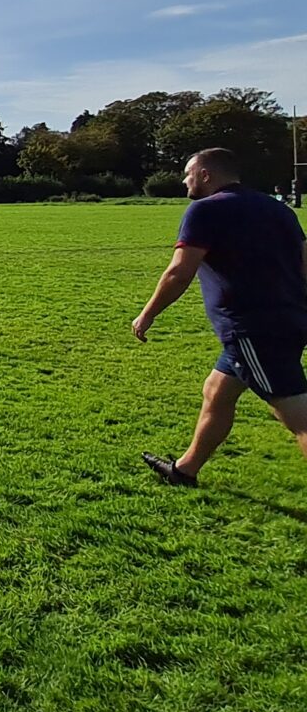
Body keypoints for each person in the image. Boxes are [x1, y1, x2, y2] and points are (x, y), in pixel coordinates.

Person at [132, 148, 307, 486]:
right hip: (289, 320)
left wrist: (147, 315)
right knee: (217, 391)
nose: (185, 180)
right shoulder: (278, 209)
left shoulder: (205, 210)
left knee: (296, 414)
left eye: (188, 173)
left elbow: (178, 274)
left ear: (206, 174)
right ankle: (184, 470)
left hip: (252, 329)